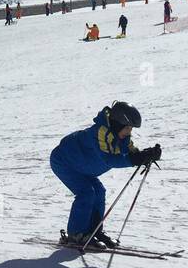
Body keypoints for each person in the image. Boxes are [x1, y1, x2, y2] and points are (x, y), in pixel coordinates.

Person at [50, 101, 159, 249]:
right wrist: (135, 159)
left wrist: (147, 155)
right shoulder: (100, 133)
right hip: (64, 163)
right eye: (127, 128)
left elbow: (132, 152)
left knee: (99, 192)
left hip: (82, 166)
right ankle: (76, 235)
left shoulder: (121, 137)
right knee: (87, 193)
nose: (129, 131)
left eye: (131, 128)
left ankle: (94, 231)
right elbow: (109, 159)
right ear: (117, 124)